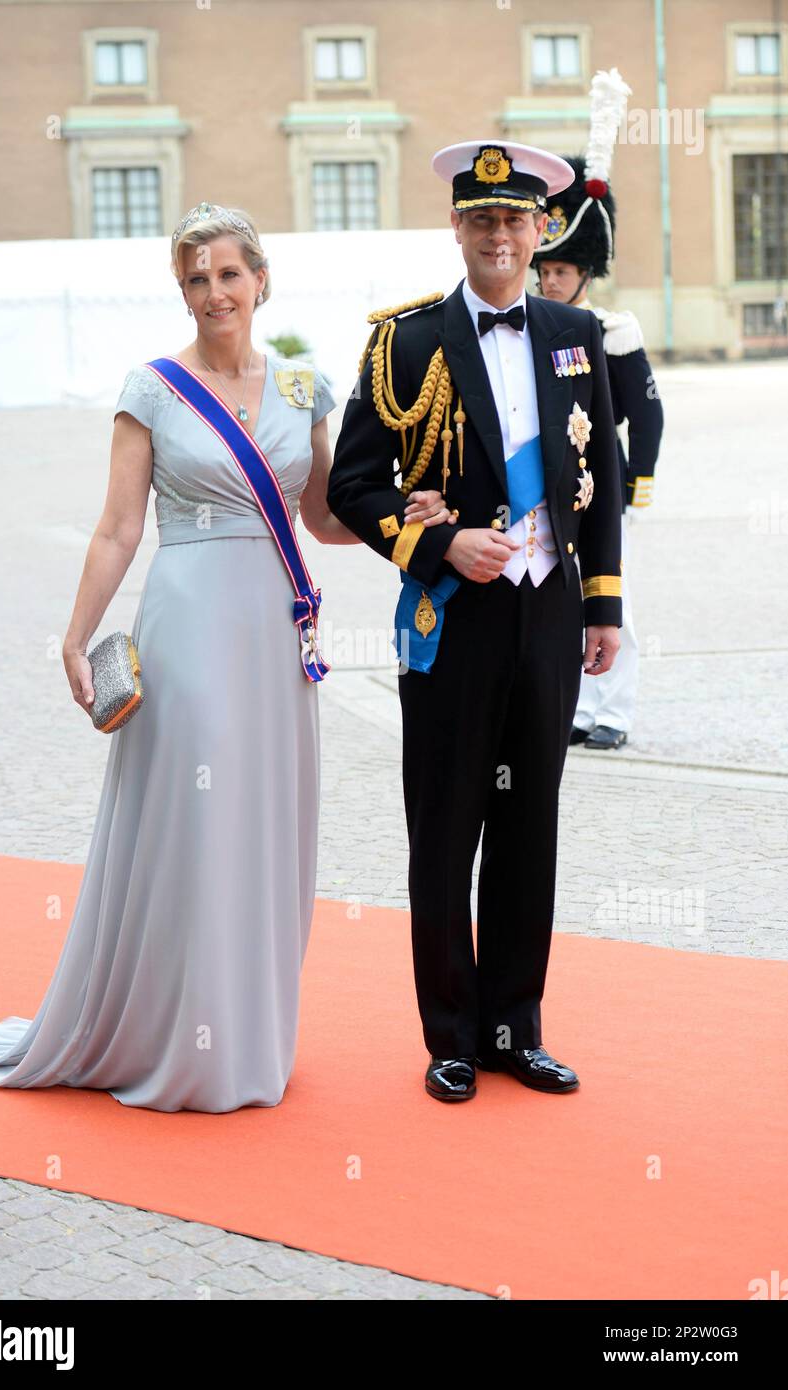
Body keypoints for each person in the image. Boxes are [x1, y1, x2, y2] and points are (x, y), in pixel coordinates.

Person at [0, 201, 454, 1114]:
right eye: (196, 278)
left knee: (263, 820)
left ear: (260, 280)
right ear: (184, 290)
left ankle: (245, 1032)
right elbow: (118, 528)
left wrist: (401, 515)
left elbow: (325, 518)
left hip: (279, 633)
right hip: (192, 625)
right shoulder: (151, 389)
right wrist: (73, 631)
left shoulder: (302, 389)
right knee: (198, 820)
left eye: (228, 274)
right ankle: (175, 1033)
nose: (214, 292)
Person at [327, 141, 623, 1102]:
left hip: (545, 616)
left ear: (540, 232)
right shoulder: (403, 342)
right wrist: (437, 545)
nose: (498, 235)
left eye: (515, 220)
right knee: (446, 828)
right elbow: (354, 485)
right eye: (480, 219)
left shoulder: (577, 329)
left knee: (528, 826)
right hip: (454, 622)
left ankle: (513, 1027)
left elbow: (603, 481)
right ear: (456, 228)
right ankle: (450, 1032)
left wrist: (602, 605)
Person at [532, 69, 664, 751]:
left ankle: (614, 710)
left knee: (614, 599)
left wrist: (636, 483)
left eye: (560, 271)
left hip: (601, 480)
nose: (549, 279)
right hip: (549, 482)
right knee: (560, 597)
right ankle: (579, 707)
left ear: (585, 271)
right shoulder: (532, 327)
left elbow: (647, 414)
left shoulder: (611, 329)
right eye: (544, 270)